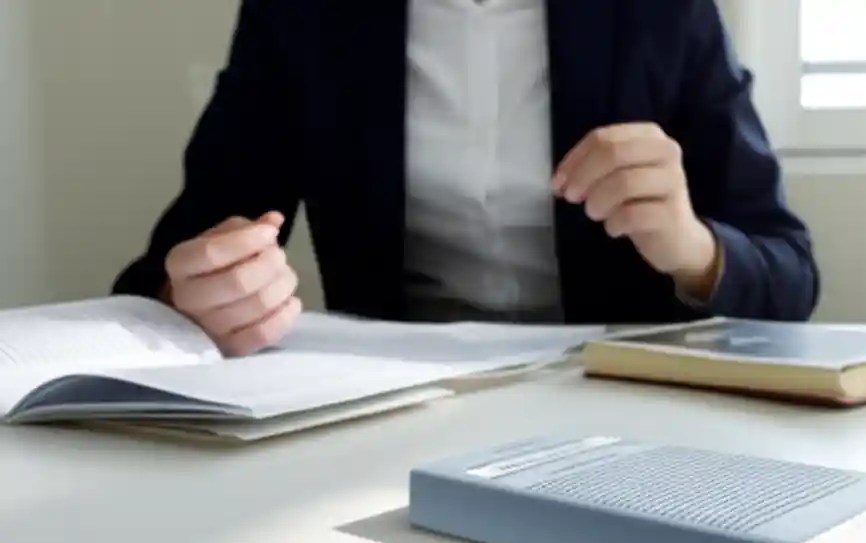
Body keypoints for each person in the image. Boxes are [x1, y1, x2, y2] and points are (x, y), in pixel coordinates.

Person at [113, 0, 820, 356]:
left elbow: (790, 278)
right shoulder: (303, 13)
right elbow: (173, 266)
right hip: (389, 413)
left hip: (625, 405)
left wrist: (694, 250)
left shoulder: (662, 10)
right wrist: (197, 297)